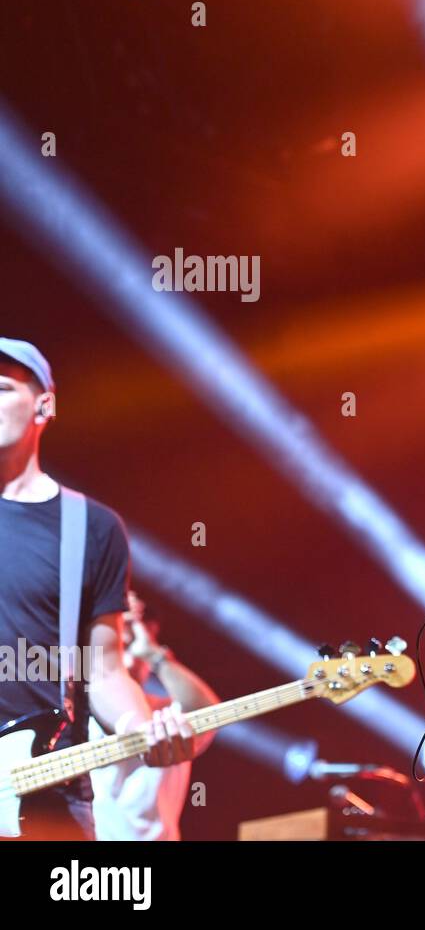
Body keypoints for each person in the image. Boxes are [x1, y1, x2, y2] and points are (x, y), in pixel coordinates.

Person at [0, 337, 203, 840]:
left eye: (1, 388)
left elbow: (105, 668)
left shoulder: (88, 527)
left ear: (44, 403)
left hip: (45, 800)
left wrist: (140, 728)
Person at [89, 590, 219, 840]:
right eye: (117, 649)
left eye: (130, 648)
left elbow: (208, 713)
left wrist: (151, 652)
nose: (126, 660)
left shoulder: (165, 715)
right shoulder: (68, 717)